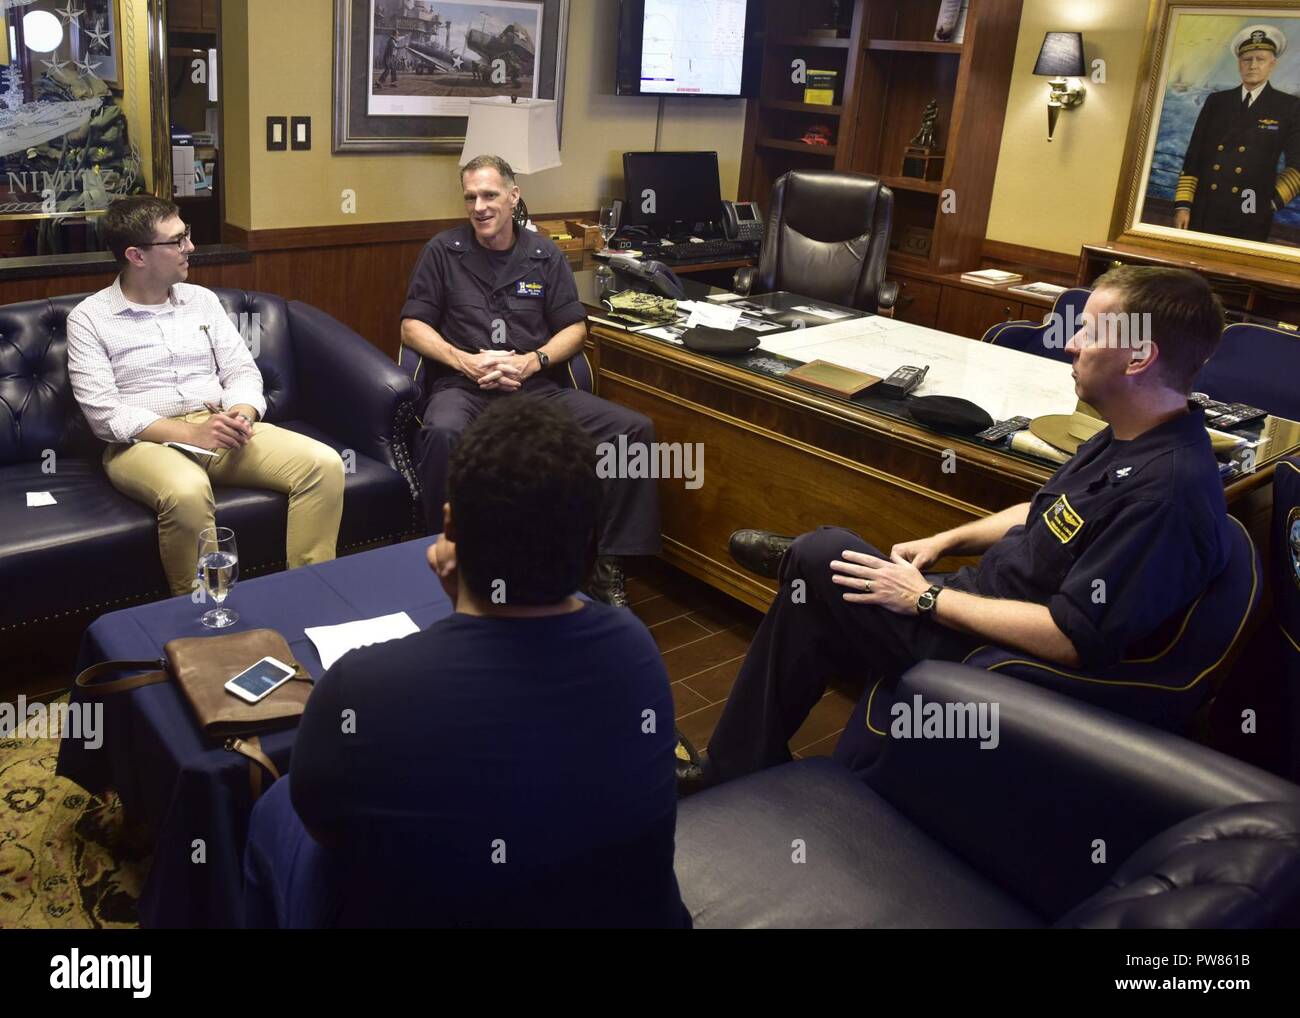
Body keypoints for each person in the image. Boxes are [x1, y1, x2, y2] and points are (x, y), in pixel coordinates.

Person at [683, 266, 1233, 788]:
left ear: (1138, 357)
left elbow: (1070, 639)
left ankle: (799, 559)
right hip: (971, 600)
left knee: (825, 552)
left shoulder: (1166, 494)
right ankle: (737, 764)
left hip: (998, 659)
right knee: (813, 588)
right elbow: (1042, 511)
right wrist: (946, 540)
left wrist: (924, 600)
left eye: (1087, 334)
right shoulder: (1130, 434)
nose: (1069, 344)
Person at [244, 398, 689, 928]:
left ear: (450, 528)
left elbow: (324, 824)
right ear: (592, 546)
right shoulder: (635, 647)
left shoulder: (361, 686)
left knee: (275, 809)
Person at [400, 154, 661, 606]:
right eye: (471, 198)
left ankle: (608, 567)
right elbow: (411, 326)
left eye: (490, 195)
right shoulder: (443, 251)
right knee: (441, 433)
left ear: (513, 196)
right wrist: (464, 361)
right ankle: (447, 557)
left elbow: (576, 328)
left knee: (633, 432)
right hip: (465, 388)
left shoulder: (544, 255)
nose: (479, 206)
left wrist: (532, 361)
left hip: (534, 389)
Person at [66, 196, 344, 597]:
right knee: (187, 491)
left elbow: (241, 371)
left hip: (218, 425)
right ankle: (205, 611)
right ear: (136, 255)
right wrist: (189, 435)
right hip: (143, 443)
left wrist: (242, 414)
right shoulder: (90, 319)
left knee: (324, 464)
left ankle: (307, 595)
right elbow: (104, 413)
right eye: (177, 240)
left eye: (187, 235)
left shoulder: (202, 301)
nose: (190, 248)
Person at [1174, 24, 1300, 242]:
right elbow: (1194, 156)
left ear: (1273, 64)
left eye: (1260, 59)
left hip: (1249, 209)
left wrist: (1270, 202)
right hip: (1205, 206)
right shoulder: (1217, 101)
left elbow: (1298, 164)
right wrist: (1183, 205)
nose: (1252, 65)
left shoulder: (1289, 106)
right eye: (1246, 59)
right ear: (1239, 63)